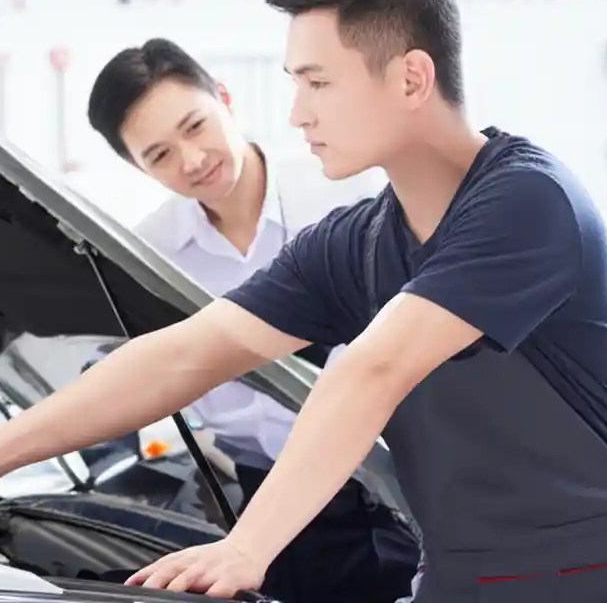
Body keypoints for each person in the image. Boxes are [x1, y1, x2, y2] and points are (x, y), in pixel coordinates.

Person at [0, 0, 607, 603]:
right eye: (293, 83)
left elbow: (374, 367)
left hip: (602, 572)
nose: (296, 114)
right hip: (463, 574)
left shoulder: (527, 200)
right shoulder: (355, 242)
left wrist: (249, 547)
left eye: (318, 83)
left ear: (411, 76)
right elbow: (185, 354)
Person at [78, 37, 418, 603]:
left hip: (401, 480)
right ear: (136, 167)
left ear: (225, 98)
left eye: (195, 126)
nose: (191, 159)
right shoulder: (147, 259)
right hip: (269, 498)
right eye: (158, 155)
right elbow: (129, 376)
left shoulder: (350, 195)